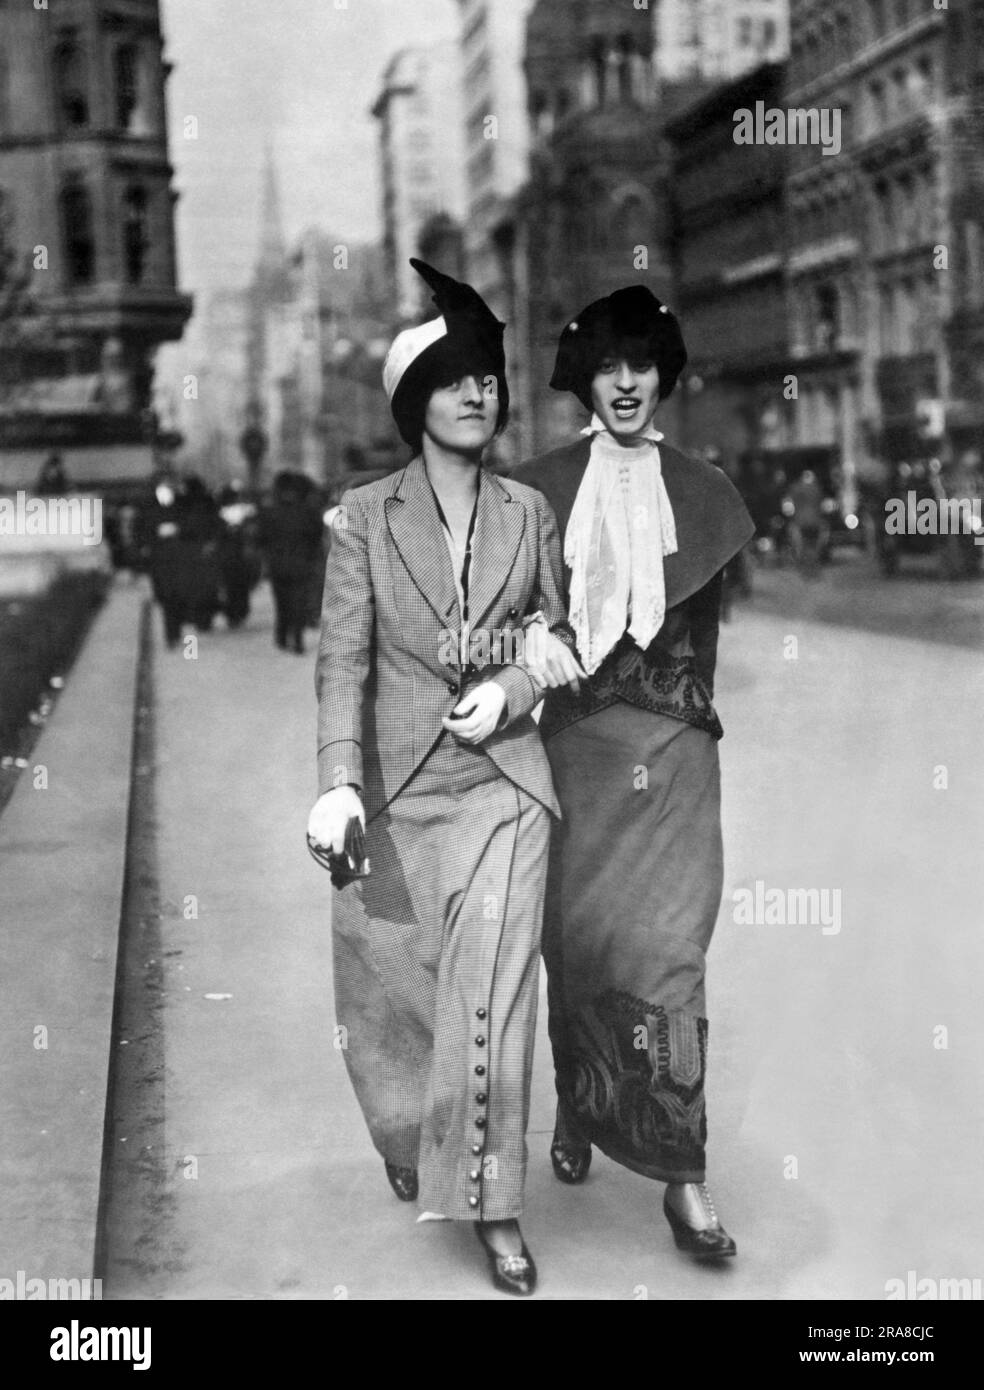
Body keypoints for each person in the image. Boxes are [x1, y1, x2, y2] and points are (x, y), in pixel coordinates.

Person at [307, 259, 580, 1296]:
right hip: (396, 790)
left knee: (492, 996)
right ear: (413, 401)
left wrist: (514, 688)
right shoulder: (361, 519)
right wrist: (337, 780)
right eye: (457, 378)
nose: (480, 393)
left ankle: (494, 1205)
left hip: (508, 787)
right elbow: (341, 659)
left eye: (491, 377)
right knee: (395, 989)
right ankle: (409, 1127)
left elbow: (559, 633)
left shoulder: (529, 512)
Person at [513, 286, 754, 1260]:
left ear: (663, 376)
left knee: (669, 957)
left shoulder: (708, 494)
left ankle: (683, 1178)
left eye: (641, 366)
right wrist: (531, 634)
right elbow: (496, 607)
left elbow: (706, 643)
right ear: (584, 378)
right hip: (574, 757)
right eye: (607, 366)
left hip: (678, 757)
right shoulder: (535, 492)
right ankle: (582, 1103)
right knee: (575, 946)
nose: (624, 383)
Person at [258, 471, 323, 654]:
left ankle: (281, 635)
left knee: (282, 601)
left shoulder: (271, 511)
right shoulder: (307, 511)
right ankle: (297, 638)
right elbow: (315, 535)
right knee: (298, 601)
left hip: (278, 563)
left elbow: (262, 537)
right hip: (301, 562)